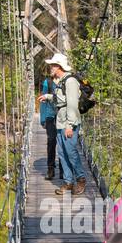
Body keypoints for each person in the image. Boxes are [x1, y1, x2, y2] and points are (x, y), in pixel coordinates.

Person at [40, 52, 87, 197]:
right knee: (62, 153)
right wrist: (48, 97)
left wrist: (70, 125)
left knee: (71, 152)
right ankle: (68, 182)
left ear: (59, 66)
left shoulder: (70, 81)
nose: (50, 68)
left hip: (68, 122)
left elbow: (72, 104)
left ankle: (80, 179)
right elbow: (60, 98)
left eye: (53, 65)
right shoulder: (61, 81)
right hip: (60, 121)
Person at [39, 68, 58, 180]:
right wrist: (43, 119)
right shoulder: (48, 82)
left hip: (63, 116)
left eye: (53, 66)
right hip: (50, 116)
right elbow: (43, 101)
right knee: (51, 141)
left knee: (63, 143)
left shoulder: (66, 81)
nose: (51, 69)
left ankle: (63, 170)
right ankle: (50, 169)